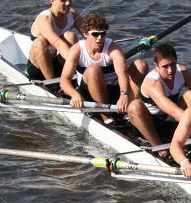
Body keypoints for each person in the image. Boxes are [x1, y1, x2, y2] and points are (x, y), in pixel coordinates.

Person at [60, 13, 161, 141]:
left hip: (113, 91)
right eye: (95, 34)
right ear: (85, 34)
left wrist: (124, 94)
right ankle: (106, 118)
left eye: (103, 34)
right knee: (93, 69)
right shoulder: (77, 50)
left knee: (140, 65)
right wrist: (74, 94)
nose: (99, 38)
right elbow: (64, 81)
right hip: (89, 94)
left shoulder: (113, 48)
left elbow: (122, 72)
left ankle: (128, 114)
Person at [137, 43, 191, 140]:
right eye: (165, 66)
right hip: (152, 123)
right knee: (135, 106)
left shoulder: (183, 72)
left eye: (173, 64)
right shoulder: (153, 83)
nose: (170, 70)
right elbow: (173, 110)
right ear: (156, 66)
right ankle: (160, 149)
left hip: (170, 118)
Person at [27, 0, 79, 80]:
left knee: (70, 36)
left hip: (60, 64)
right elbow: (58, 44)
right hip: (38, 70)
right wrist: (80, 63)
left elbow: (89, 35)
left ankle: (70, 78)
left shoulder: (72, 14)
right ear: (52, 0)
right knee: (40, 42)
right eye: (63, 0)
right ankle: (51, 84)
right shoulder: (45, 19)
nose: (68, 3)